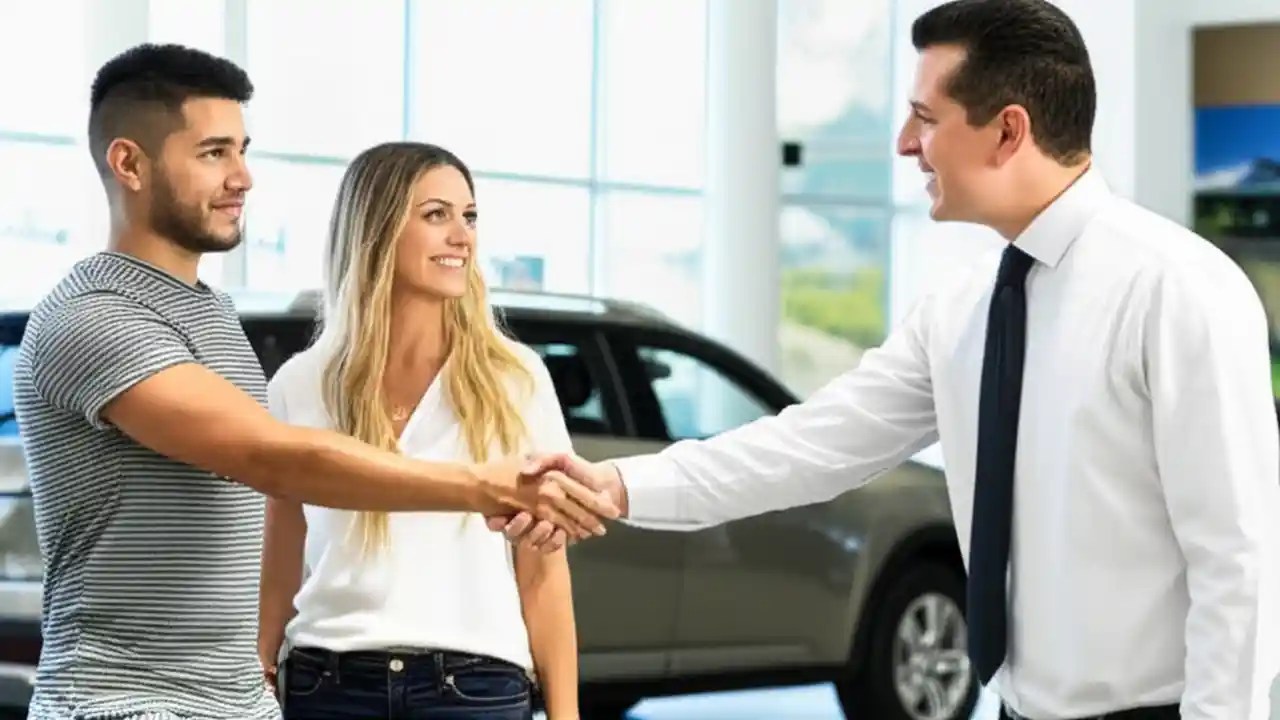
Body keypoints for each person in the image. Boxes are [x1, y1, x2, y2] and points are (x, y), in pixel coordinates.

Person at [496, 1, 1280, 719]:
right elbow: (812, 446)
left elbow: (1238, 561)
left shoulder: (1179, 291)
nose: (906, 143)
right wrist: (620, 483)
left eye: (924, 118)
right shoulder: (960, 310)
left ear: (1008, 130)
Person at [12, 44, 614, 720]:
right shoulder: (94, 319)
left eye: (243, 150)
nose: (243, 177)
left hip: (239, 702)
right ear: (129, 163)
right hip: (125, 701)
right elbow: (272, 461)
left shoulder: (209, 314)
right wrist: (481, 485)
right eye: (214, 153)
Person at [257, 142, 580, 720]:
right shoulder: (300, 383)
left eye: (469, 216)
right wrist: (257, 672)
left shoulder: (515, 378)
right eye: (436, 215)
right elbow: (282, 552)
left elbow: (543, 572)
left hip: (475, 687)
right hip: (326, 684)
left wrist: (566, 715)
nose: (463, 235)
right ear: (375, 231)